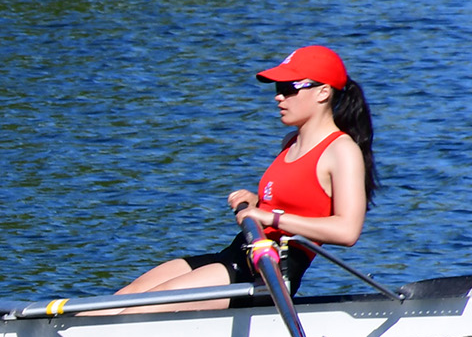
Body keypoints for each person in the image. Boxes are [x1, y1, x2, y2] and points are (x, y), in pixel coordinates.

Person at [118, 45, 376, 304]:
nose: (279, 97)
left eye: (289, 89)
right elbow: (297, 202)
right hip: (239, 252)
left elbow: (347, 231)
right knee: (127, 297)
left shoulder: (342, 150)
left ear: (323, 92)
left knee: (147, 306)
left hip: (269, 273)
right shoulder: (290, 142)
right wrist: (257, 202)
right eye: (278, 89)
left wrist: (268, 217)